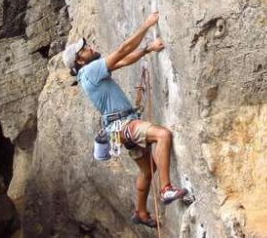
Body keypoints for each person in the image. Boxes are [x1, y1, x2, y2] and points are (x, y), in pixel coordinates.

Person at [62, 11, 187, 228]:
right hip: (124, 125)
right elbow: (122, 50)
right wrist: (147, 25)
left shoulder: (89, 74)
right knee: (162, 135)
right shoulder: (90, 70)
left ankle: (140, 212)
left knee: (148, 171)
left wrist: (147, 49)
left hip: (117, 130)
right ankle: (166, 189)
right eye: (85, 49)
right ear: (80, 59)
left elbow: (123, 60)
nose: (90, 47)